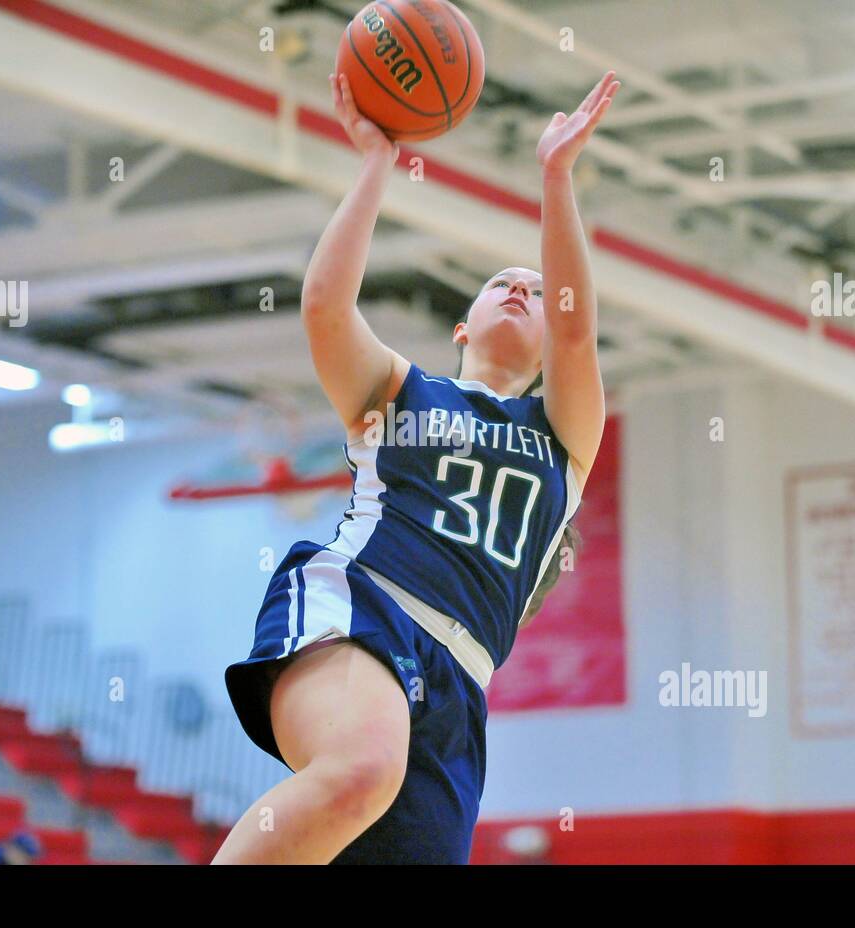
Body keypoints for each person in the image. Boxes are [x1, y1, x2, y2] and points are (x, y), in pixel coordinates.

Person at [214, 71, 619, 864]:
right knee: (363, 770)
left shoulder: (564, 436)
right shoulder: (405, 392)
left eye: (536, 291)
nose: (518, 289)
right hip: (366, 607)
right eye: (500, 283)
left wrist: (555, 177)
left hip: (460, 684)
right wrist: (374, 162)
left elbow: (578, 336)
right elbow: (327, 306)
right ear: (462, 328)